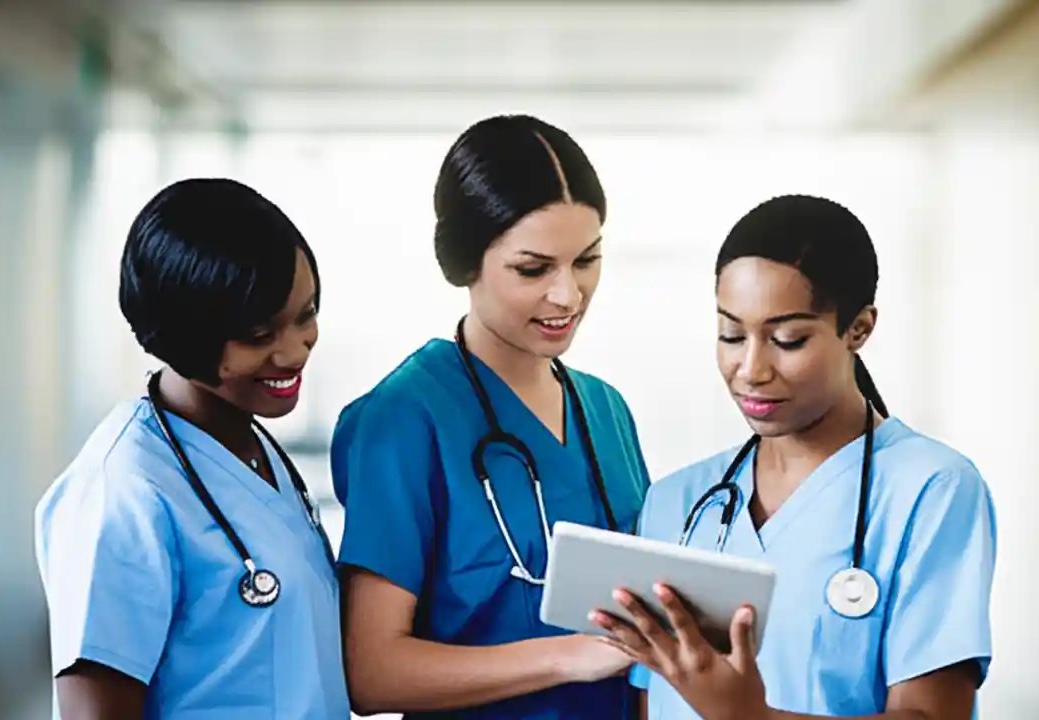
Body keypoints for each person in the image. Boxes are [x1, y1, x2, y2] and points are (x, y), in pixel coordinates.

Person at [590, 195, 997, 719]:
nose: (751, 369)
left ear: (859, 329)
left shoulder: (931, 489)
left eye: (788, 339)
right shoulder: (677, 503)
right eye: (731, 335)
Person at [332, 114, 651, 719]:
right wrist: (564, 657)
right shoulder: (404, 418)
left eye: (587, 260)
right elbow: (371, 672)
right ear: (464, 262)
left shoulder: (606, 411)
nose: (569, 295)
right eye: (533, 269)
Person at [34, 178, 350, 719]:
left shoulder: (245, 441)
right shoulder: (123, 491)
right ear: (186, 333)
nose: (296, 350)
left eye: (306, 313)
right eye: (258, 334)